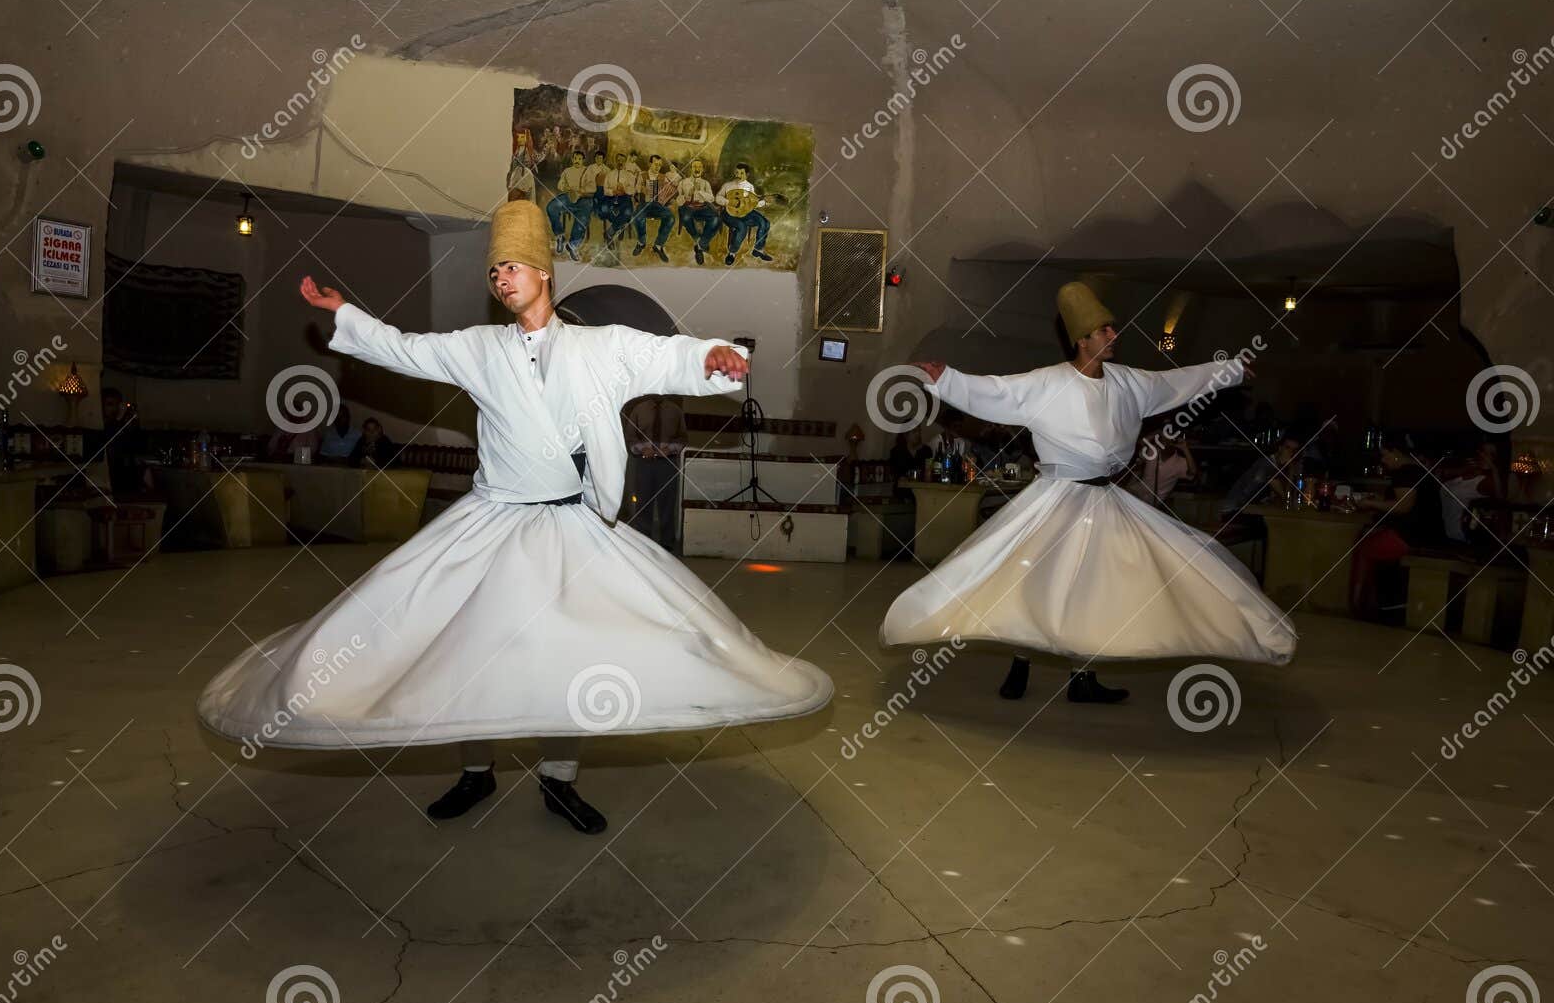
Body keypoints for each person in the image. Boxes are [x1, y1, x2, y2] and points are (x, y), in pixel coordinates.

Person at [196, 200, 832, 835]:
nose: (502, 277)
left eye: (514, 266)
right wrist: (347, 318)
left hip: (570, 528)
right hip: (491, 522)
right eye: (495, 269)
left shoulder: (602, 347)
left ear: (544, 272)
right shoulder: (478, 349)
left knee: (572, 655)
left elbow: (667, 358)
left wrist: (713, 358)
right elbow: (406, 349)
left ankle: (559, 782)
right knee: (473, 649)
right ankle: (476, 771)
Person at [880, 281, 1296, 704]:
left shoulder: (1128, 383)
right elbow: (995, 392)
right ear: (1082, 340)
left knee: (1094, 591)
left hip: (1104, 502)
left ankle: (1084, 678)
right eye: (1104, 331)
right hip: (1055, 500)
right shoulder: (1046, 384)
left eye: (1112, 330)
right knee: (1031, 583)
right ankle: (1021, 663)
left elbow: (1176, 383)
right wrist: (945, 380)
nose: (1113, 337)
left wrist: (1226, 372)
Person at [1349, 445, 1447, 617]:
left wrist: (1370, 504)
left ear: (1397, 453)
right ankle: (1371, 602)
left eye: (1385, 456)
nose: (1382, 460)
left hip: (1415, 537)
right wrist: (1379, 501)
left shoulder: (1406, 473)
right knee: (1367, 538)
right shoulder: (1417, 470)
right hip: (1429, 534)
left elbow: (1403, 506)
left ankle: (1357, 605)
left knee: (1364, 548)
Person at [622, 394, 687, 552]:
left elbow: (683, 437)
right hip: (644, 462)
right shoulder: (639, 409)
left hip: (668, 463)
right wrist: (642, 449)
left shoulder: (675, 411)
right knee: (643, 501)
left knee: (667, 502)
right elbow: (629, 437)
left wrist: (670, 449)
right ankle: (643, 540)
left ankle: (667, 542)